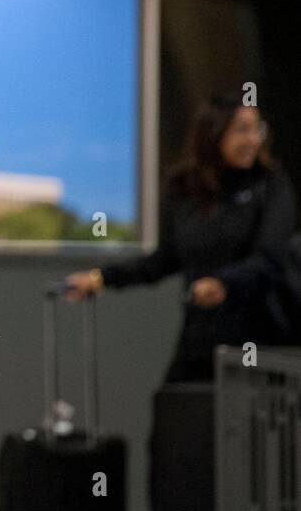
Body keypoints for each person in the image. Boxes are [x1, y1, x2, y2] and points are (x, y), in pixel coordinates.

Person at [63, 91, 297, 382]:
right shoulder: (184, 190)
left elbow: (271, 256)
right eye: (242, 129)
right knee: (176, 412)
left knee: (245, 422)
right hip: (200, 337)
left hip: (259, 339)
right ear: (214, 133)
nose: (252, 140)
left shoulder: (271, 185)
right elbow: (166, 258)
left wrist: (224, 284)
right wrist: (102, 278)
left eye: (257, 129)